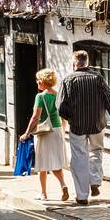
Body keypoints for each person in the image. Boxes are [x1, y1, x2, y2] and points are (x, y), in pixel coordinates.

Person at [57, 49, 110, 204]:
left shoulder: (68, 80)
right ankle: (94, 181)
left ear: (74, 63)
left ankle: (81, 196)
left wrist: (71, 117)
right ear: (87, 62)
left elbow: (60, 105)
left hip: (77, 126)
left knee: (79, 158)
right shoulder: (98, 78)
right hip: (97, 123)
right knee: (96, 150)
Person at [21, 68, 70, 202]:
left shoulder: (40, 96)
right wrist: (62, 130)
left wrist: (26, 133)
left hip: (45, 132)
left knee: (42, 163)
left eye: (38, 80)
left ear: (42, 82)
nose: (37, 82)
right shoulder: (59, 95)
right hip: (58, 130)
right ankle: (63, 185)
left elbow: (35, 117)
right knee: (56, 162)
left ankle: (43, 194)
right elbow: (64, 116)